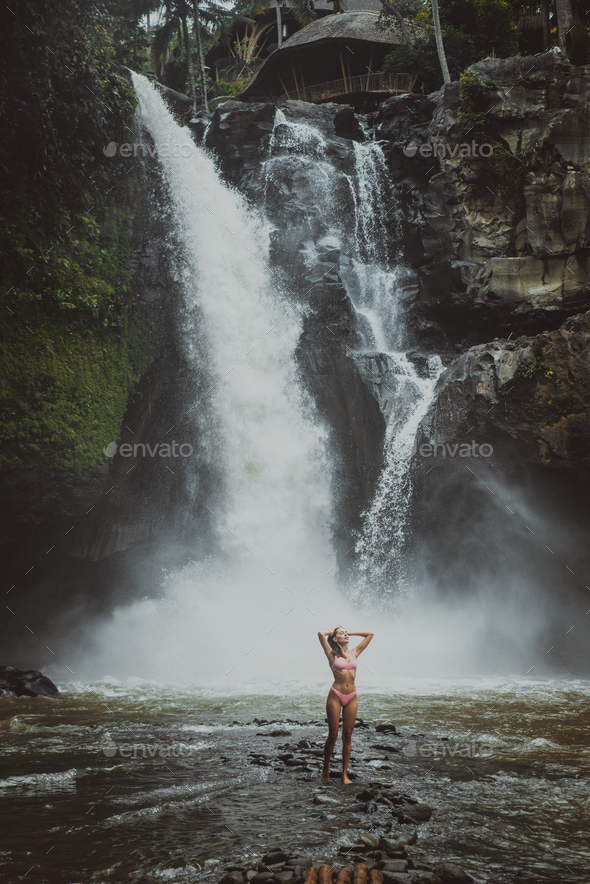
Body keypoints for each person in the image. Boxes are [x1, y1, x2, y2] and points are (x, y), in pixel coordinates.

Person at [317, 625, 374, 784]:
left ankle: (344, 774)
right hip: (336, 695)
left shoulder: (354, 652)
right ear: (335, 638)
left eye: (346, 633)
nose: (346, 635)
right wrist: (334, 631)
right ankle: (325, 768)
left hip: (352, 697)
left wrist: (349, 632)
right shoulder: (331, 653)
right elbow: (321, 633)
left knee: (347, 736)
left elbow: (370, 633)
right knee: (333, 736)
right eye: (342, 634)